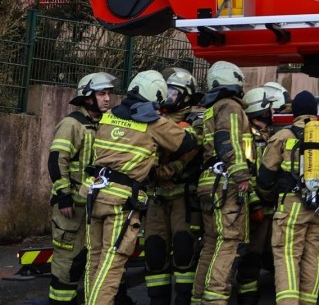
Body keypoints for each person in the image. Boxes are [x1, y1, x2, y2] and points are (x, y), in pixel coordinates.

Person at [81, 71, 198, 305]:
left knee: (94, 260)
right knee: (111, 264)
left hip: (95, 195)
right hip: (121, 202)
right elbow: (187, 143)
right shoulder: (152, 122)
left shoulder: (109, 116)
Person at [257, 92, 319, 305]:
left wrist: (269, 197)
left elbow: (264, 179)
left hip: (292, 207)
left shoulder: (282, 137)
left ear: (294, 113)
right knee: (312, 259)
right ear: (315, 113)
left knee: (287, 257)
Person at [46, 72, 116, 304]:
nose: (108, 98)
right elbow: (57, 160)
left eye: (109, 93)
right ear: (87, 97)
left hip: (94, 208)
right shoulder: (72, 124)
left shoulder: (106, 124)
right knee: (68, 264)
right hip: (72, 207)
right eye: (101, 93)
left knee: (93, 262)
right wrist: (64, 196)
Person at [195, 62, 251, 303]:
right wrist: (242, 176)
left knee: (210, 244)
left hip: (210, 182)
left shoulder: (210, 109)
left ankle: (198, 297)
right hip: (226, 183)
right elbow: (228, 143)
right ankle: (215, 299)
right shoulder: (229, 106)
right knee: (228, 241)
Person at [144, 69, 201, 305]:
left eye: (174, 92)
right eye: (166, 91)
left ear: (186, 97)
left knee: (184, 248)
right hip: (156, 197)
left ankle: (184, 300)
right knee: (155, 251)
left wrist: (170, 169)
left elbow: (192, 148)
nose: (168, 97)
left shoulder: (195, 120)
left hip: (183, 198)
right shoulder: (152, 119)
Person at [236, 88, 279, 305]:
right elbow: (248, 174)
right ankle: (247, 299)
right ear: (260, 111)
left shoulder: (268, 135)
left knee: (262, 255)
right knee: (251, 257)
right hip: (255, 209)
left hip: (268, 208)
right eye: (269, 108)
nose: (272, 112)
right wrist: (255, 204)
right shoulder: (249, 140)